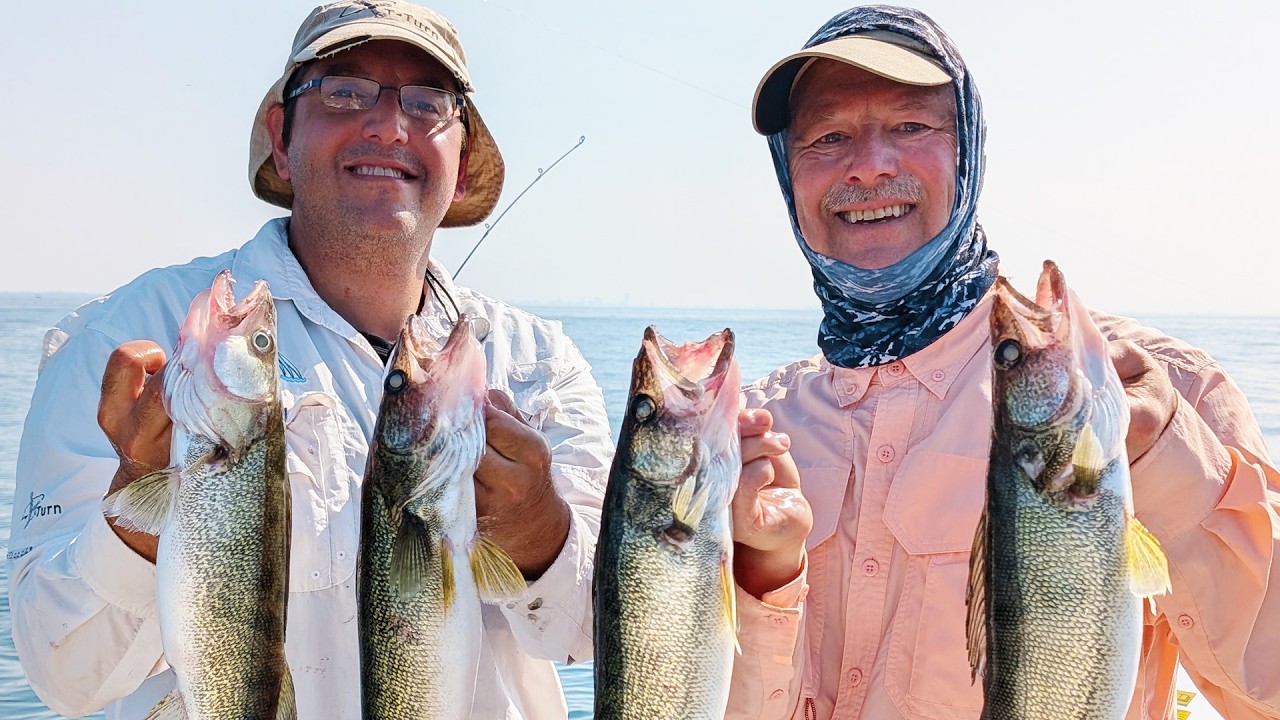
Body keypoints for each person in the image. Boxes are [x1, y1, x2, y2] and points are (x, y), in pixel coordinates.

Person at [6, 2, 612, 718]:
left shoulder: (538, 363)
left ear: (464, 158)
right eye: (344, 92)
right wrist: (141, 498)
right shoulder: (133, 342)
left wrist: (539, 528)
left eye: (428, 102)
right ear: (281, 139)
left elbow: (593, 640)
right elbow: (63, 671)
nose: (388, 125)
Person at [724, 6, 1280, 719]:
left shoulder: (1153, 388)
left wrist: (1168, 460)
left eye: (911, 126)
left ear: (970, 149)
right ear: (788, 175)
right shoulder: (751, 437)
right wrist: (764, 577)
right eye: (828, 137)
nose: (870, 165)